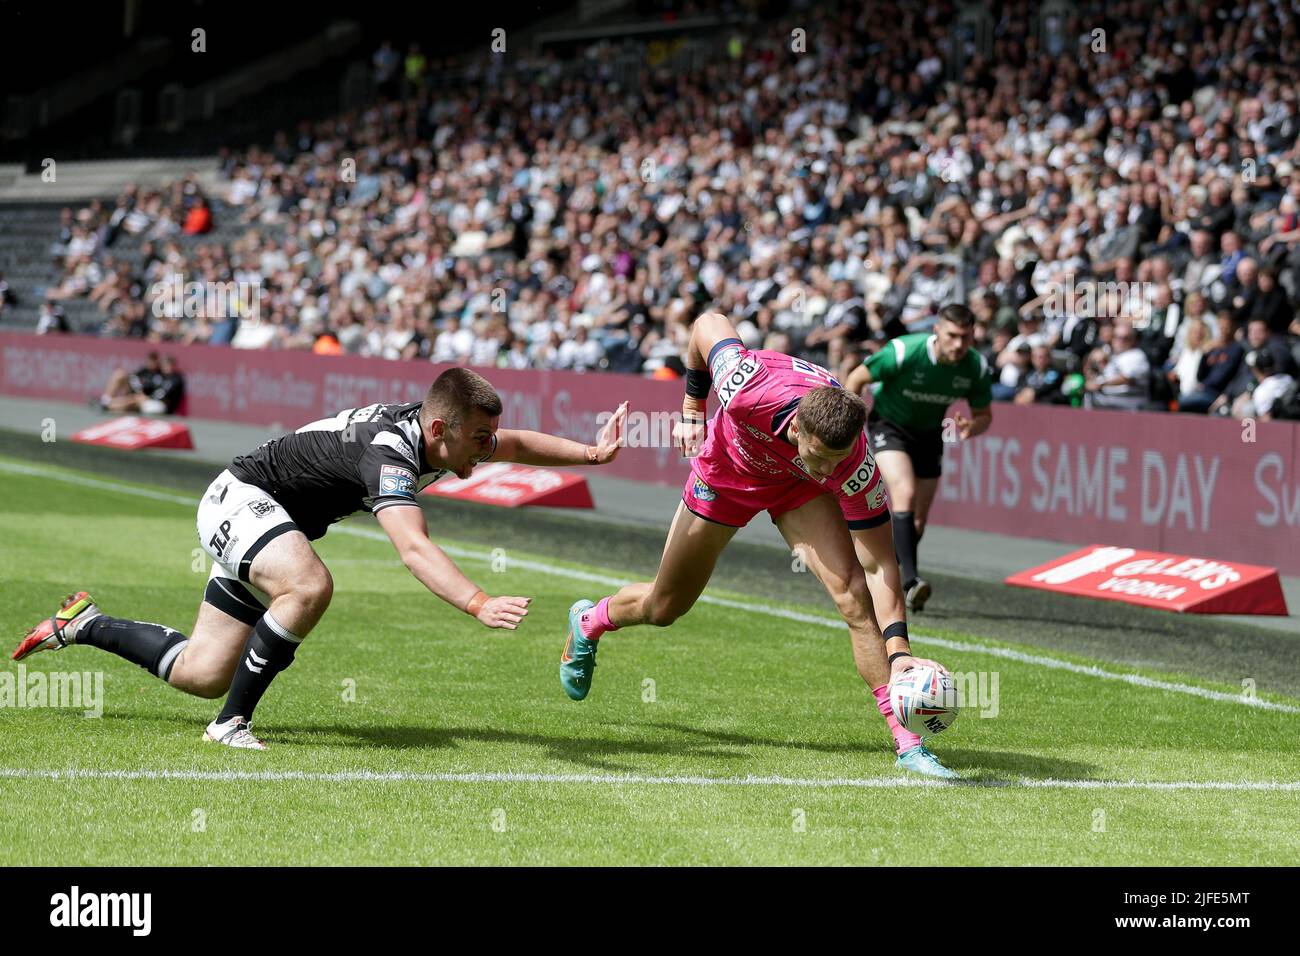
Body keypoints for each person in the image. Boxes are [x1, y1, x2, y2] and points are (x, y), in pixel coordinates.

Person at [15, 368, 629, 750]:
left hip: (264, 518)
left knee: (200, 674)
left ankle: (84, 623)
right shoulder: (391, 455)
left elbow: (515, 441)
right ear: (441, 427)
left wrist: (591, 455)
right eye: (477, 440)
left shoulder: (438, 435)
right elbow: (413, 548)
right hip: (242, 500)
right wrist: (476, 600)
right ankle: (230, 728)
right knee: (309, 585)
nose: (487, 450)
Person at [558, 311, 960, 780]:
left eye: (839, 461)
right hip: (725, 476)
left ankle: (908, 744)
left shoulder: (851, 465)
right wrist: (692, 408)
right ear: (796, 432)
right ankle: (591, 620)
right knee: (664, 606)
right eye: (824, 458)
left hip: (796, 488)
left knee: (853, 595)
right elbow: (706, 323)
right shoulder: (746, 387)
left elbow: (879, 567)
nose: (834, 472)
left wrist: (901, 653)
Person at [843, 304, 994, 612]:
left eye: (965, 337)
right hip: (888, 425)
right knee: (904, 493)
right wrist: (852, 424)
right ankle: (911, 581)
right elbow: (856, 379)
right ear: (937, 330)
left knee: (917, 522)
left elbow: (984, 415)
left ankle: (881, 579)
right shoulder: (904, 351)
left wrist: (972, 426)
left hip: (928, 436)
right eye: (952, 335)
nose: (958, 344)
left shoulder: (975, 367)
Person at [93, 352, 185, 415]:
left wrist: (147, 397)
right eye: (164, 365)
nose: (166, 367)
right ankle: (107, 405)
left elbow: (163, 394)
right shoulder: (160, 375)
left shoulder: (175, 378)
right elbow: (133, 378)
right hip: (150, 403)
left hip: (162, 407)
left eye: (168, 365)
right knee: (133, 401)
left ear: (173, 366)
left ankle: (107, 405)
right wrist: (141, 393)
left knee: (136, 400)